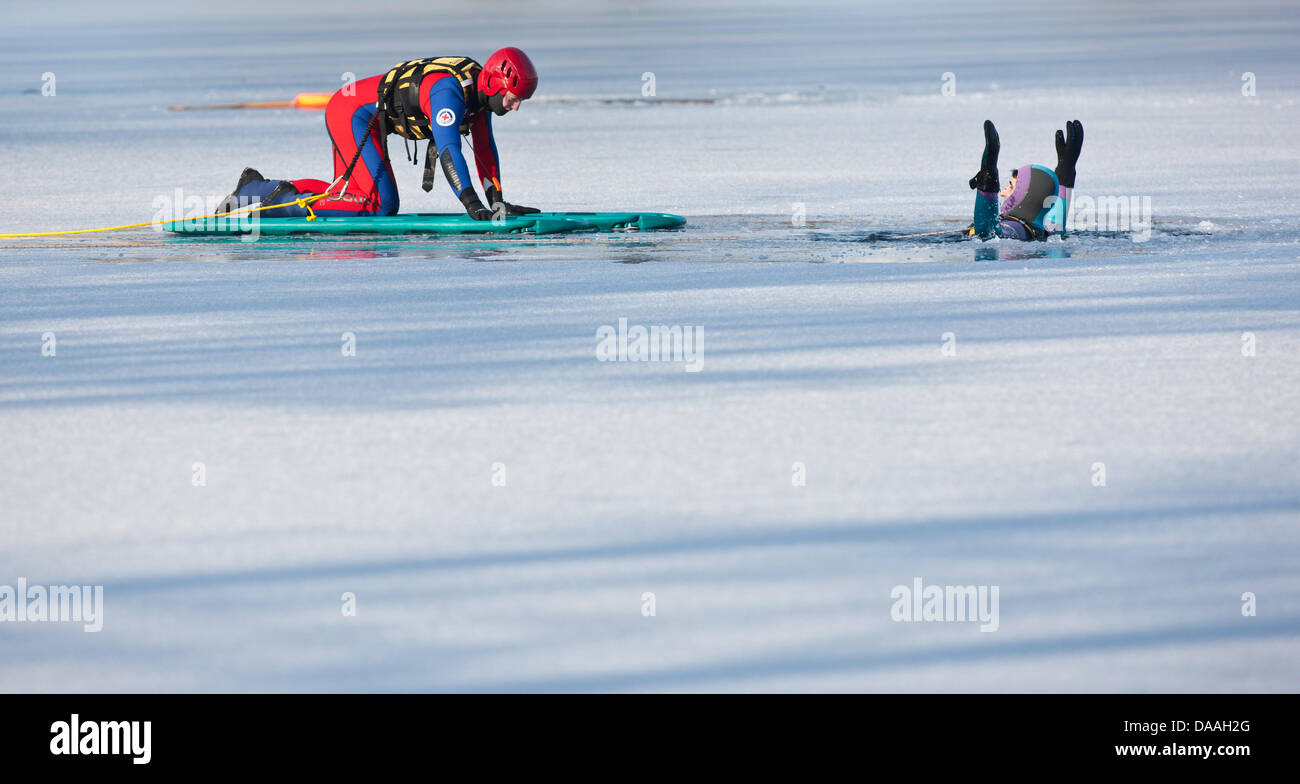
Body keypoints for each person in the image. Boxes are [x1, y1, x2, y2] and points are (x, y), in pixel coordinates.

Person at [216, 48, 541, 220]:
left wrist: (497, 202)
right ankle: (263, 200)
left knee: (351, 195)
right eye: (513, 99)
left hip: (365, 118)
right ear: (495, 84)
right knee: (379, 204)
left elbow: (484, 150)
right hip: (350, 113)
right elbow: (448, 149)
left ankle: (256, 188)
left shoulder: (479, 99)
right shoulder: (449, 93)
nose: (515, 107)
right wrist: (471, 203)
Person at [968, 119, 1083, 240]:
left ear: (1026, 196)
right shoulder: (1047, 229)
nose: (1002, 192)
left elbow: (988, 234)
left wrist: (988, 175)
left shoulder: (1016, 228)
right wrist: (1066, 168)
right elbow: (1057, 212)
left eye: (1012, 186)